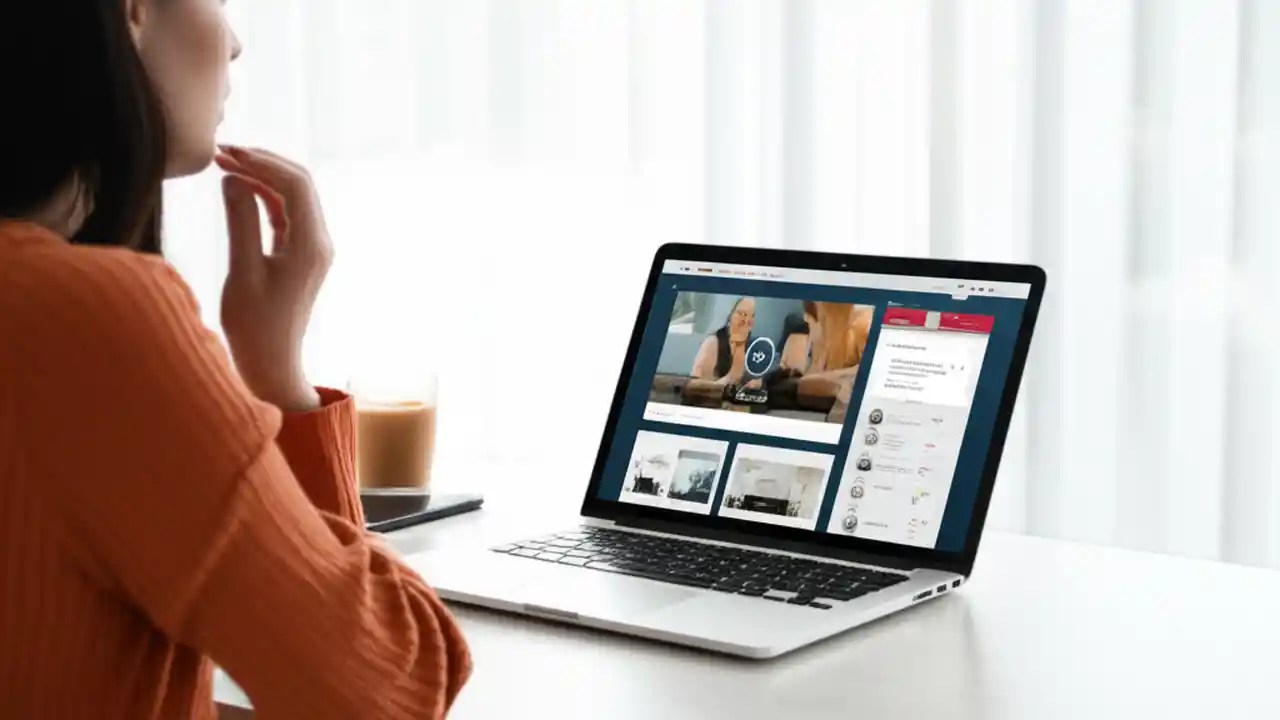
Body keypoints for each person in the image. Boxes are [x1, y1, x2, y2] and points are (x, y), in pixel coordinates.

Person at [0, 2, 469, 718]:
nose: (236, 43)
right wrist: (278, 379)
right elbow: (388, 690)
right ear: (131, 10)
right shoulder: (89, 321)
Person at [690, 296, 758, 385]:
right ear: (731, 315)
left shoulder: (754, 348)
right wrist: (726, 381)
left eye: (752, 316)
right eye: (742, 314)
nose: (746, 320)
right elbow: (694, 384)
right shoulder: (713, 343)